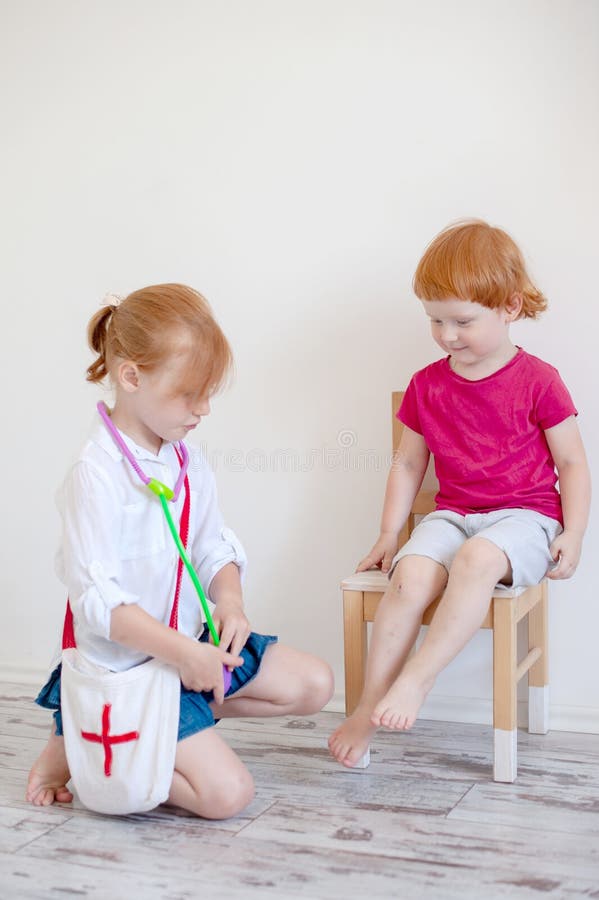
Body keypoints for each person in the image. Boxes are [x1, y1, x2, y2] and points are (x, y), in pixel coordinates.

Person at [27, 283, 334, 816]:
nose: (205, 409)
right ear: (131, 376)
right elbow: (102, 607)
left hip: (186, 650)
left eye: (210, 392)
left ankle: (154, 720)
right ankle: (84, 742)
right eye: (190, 394)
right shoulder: (94, 475)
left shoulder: (186, 459)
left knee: (314, 684)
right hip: (126, 667)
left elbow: (213, 546)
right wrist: (185, 655)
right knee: (227, 797)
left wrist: (230, 604)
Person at [329, 220, 590, 768]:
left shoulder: (539, 380)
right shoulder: (428, 385)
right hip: (454, 515)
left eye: (462, 321)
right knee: (412, 575)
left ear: (510, 307)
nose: (447, 334)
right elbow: (407, 463)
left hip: (526, 519)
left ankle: (417, 681)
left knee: (474, 560)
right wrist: (385, 534)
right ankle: (368, 708)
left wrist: (574, 532)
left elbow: (572, 462)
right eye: (435, 320)